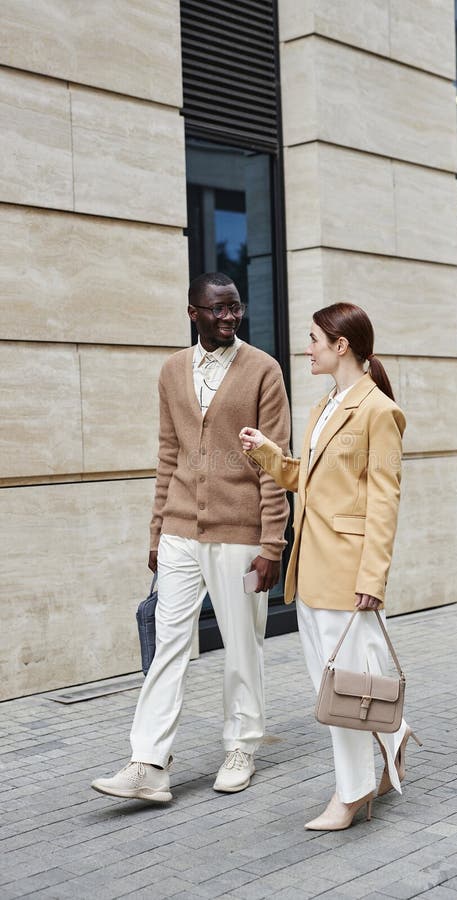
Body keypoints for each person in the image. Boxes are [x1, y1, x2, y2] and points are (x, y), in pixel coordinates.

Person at [92, 272, 290, 803]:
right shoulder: (172, 371)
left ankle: (242, 744)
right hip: (180, 530)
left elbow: (275, 464)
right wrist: (157, 530)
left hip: (241, 535)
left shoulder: (263, 370)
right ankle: (149, 763)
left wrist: (272, 543)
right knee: (168, 647)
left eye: (236, 308)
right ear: (193, 312)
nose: (229, 317)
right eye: (218, 309)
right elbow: (167, 455)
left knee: (241, 646)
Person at [239, 302, 421, 831]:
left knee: (342, 687)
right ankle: (396, 733)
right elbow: (308, 480)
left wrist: (372, 579)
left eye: (315, 339)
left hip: (348, 571)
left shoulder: (378, 411)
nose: (308, 348)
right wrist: (269, 454)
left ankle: (352, 792)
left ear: (342, 345)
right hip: (311, 565)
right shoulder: (324, 408)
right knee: (339, 681)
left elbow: (385, 502)